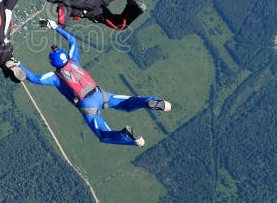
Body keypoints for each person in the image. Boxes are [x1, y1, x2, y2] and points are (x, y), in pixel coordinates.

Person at [20, 20, 171, 147]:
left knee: (103, 135)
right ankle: (151, 102)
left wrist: (18, 65)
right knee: (127, 103)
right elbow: (72, 41)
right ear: (65, 56)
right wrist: (55, 27)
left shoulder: (55, 76)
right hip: (100, 94)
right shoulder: (73, 60)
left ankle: (127, 137)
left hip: (88, 106)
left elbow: (34, 78)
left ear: (52, 63)